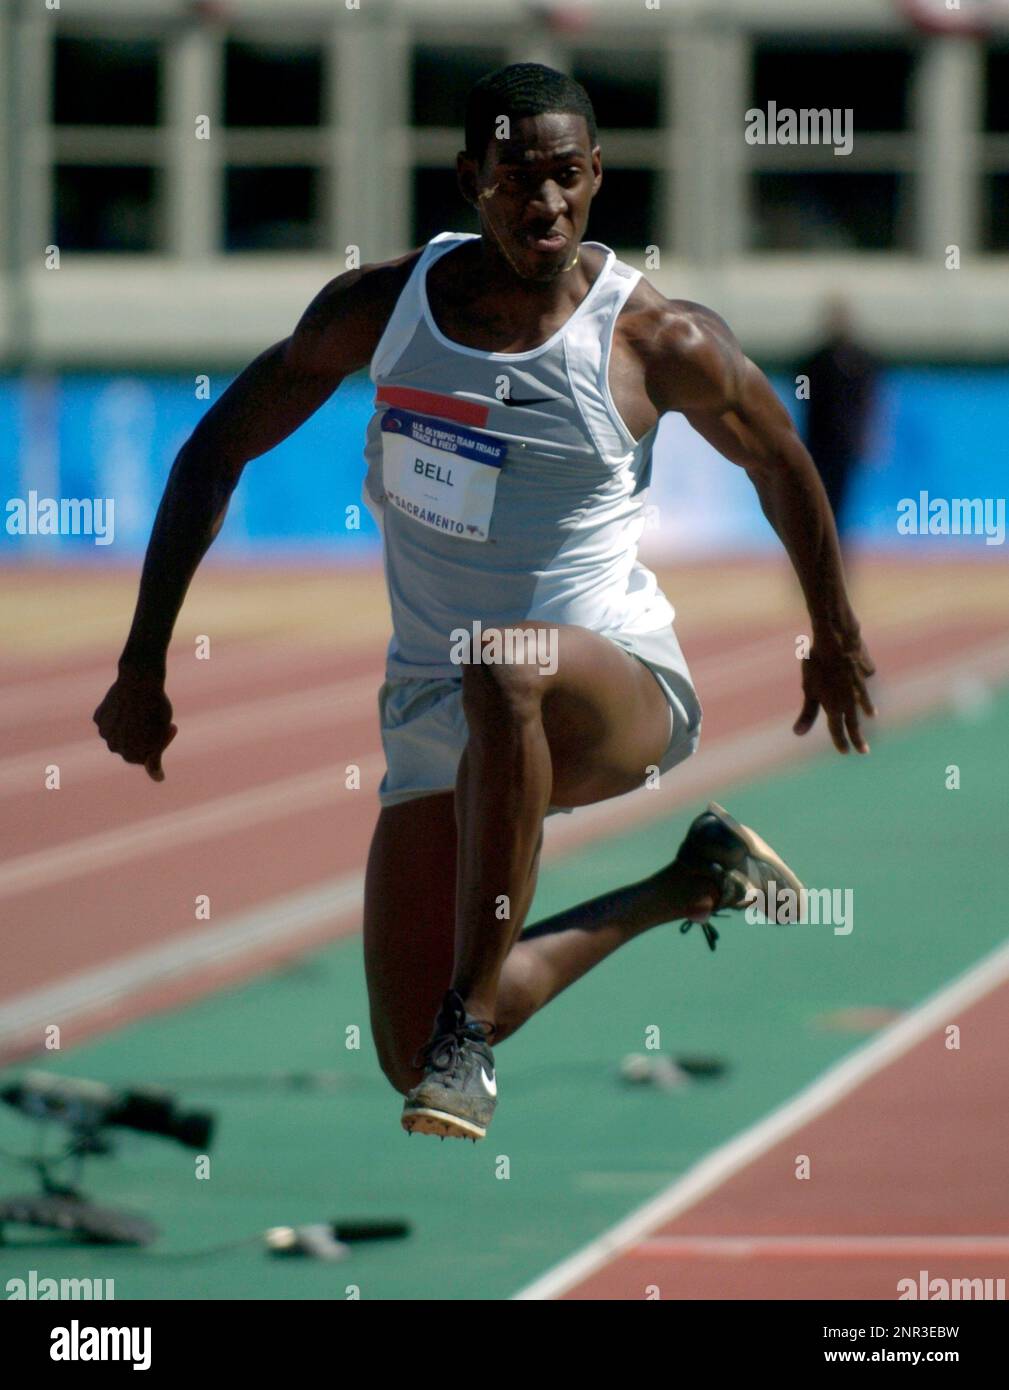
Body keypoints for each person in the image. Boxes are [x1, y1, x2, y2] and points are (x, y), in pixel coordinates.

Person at [94, 64, 875, 1143]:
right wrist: (142, 663)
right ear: (472, 179)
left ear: (597, 175)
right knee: (404, 1056)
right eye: (516, 178)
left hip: (613, 683)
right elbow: (211, 452)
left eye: (565, 176)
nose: (543, 203)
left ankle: (470, 1027)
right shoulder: (382, 312)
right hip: (434, 712)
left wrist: (831, 635)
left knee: (504, 663)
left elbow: (781, 460)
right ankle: (686, 882)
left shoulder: (656, 342)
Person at [799, 297, 879, 551]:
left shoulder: (861, 361)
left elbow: (869, 401)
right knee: (815, 505)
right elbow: (802, 399)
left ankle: (836, 557)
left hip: (845, 445)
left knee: (840, 506)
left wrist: (867, 435)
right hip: (817, 443)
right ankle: (815, 555)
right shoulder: (813, 362)